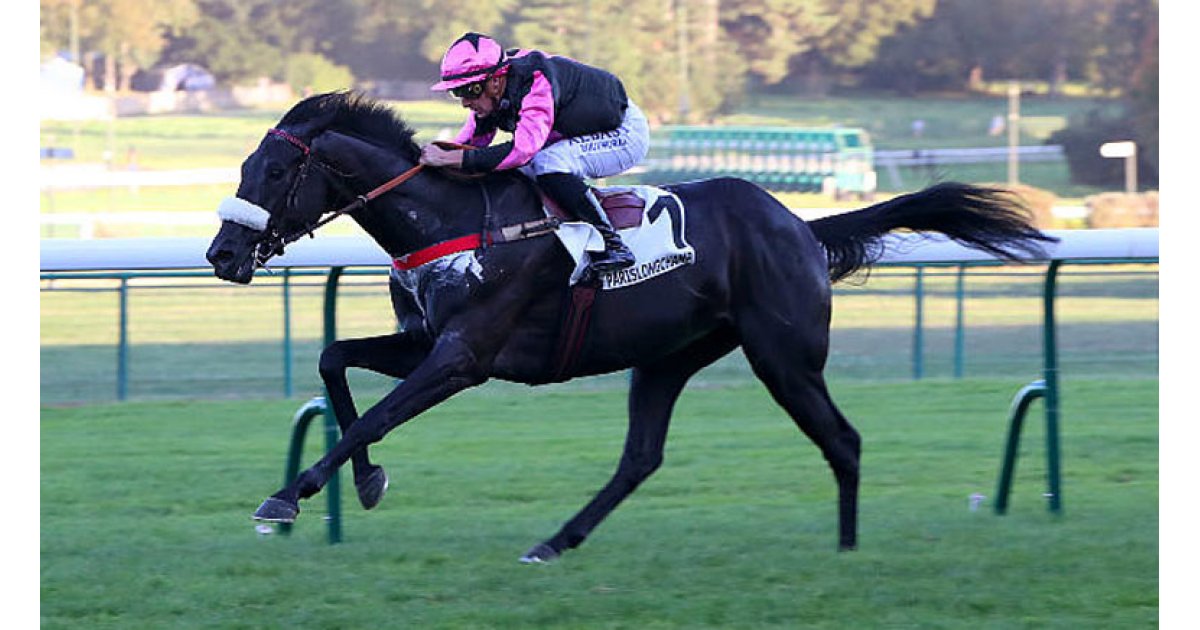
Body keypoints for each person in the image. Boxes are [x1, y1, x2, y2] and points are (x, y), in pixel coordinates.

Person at [420, 32, 649, 273]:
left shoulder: (535, 81)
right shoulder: (491, 93)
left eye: (469, 90)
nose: (465, 102)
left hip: (623, 132)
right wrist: (435, 161)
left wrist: (450, 159)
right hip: (578, 131)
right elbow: (470, 146)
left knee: (546, 162)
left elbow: (522, 150)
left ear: (495, 81)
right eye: (457, 92)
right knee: (515, 169)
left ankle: (613, 243)